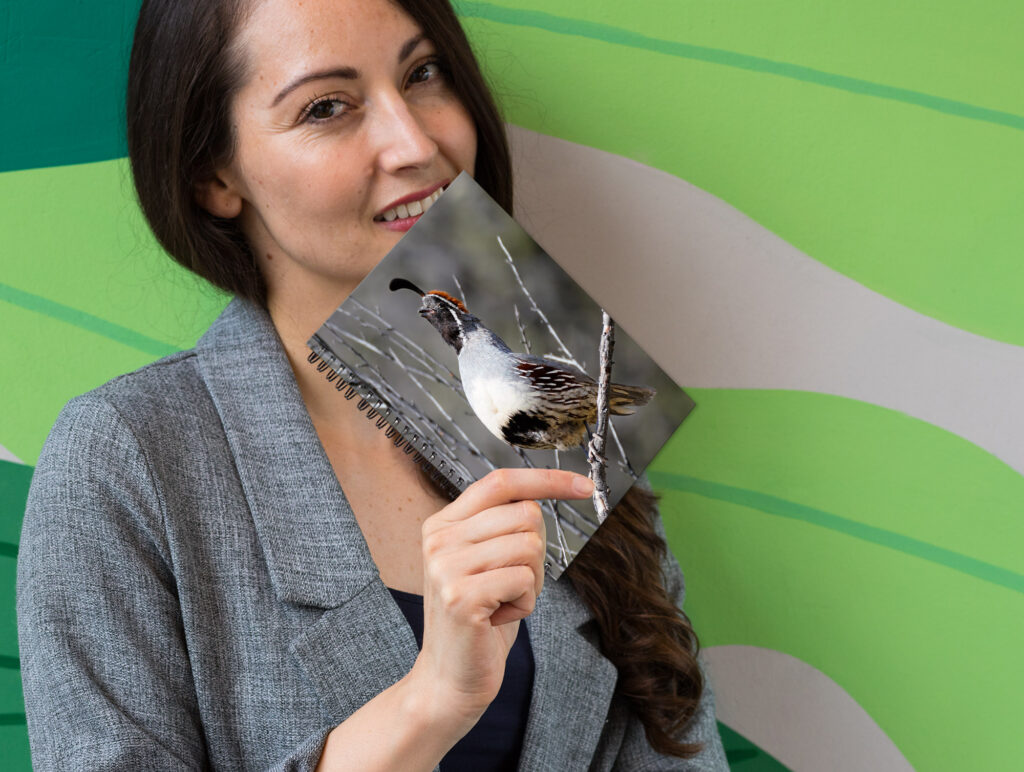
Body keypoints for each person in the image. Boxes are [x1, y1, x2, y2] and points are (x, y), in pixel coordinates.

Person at [16, 0, 729, 769]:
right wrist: (430, 702)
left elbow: (677, 743)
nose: (416, 143)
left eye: (423, 73)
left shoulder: (561, 398)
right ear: (215, 175)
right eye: (326, 107)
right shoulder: (126, 457)